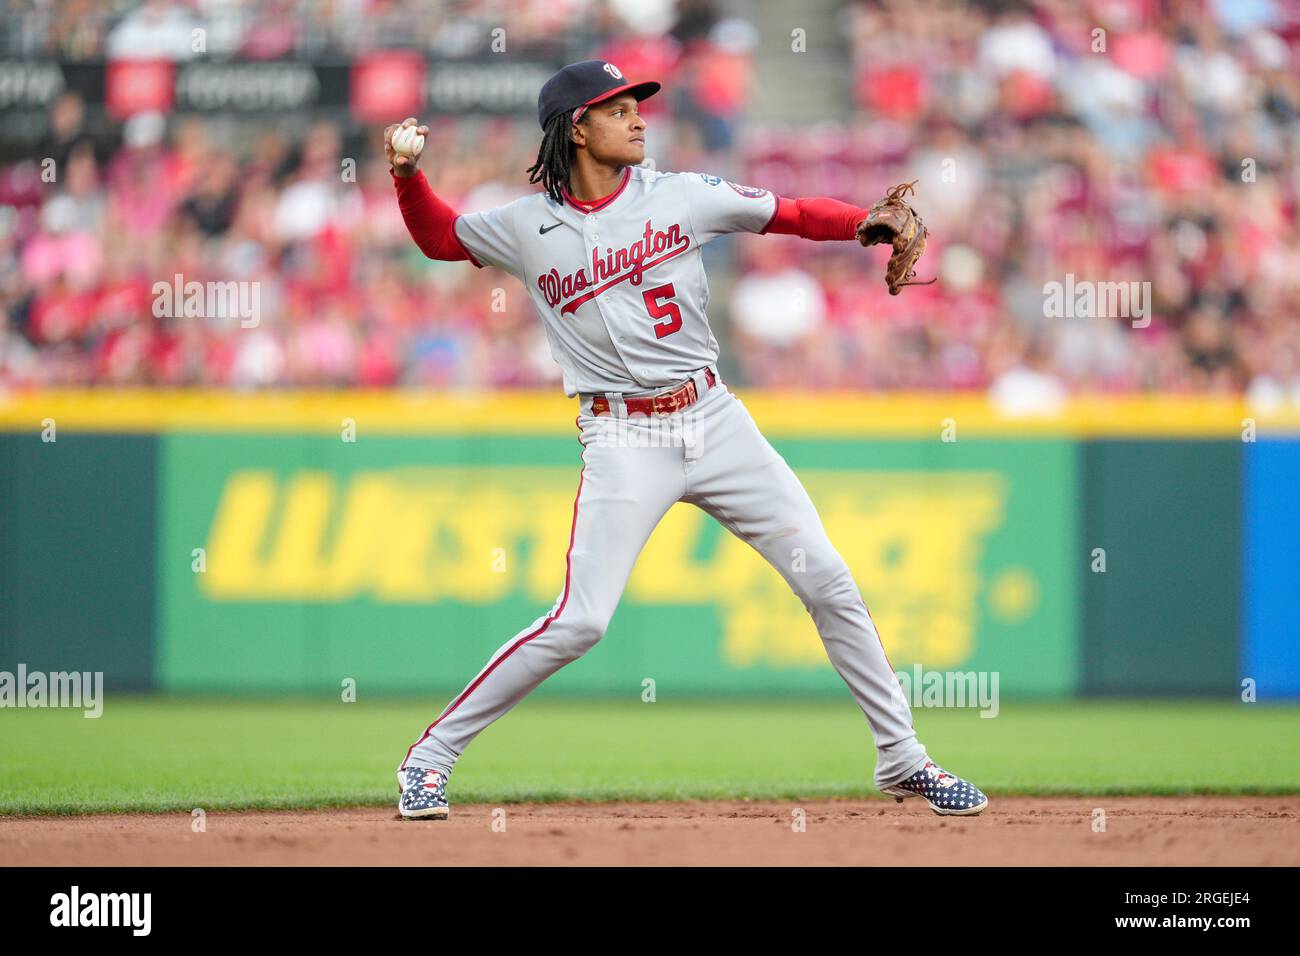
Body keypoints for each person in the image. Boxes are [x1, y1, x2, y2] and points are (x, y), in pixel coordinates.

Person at [387, 60, 988, 820]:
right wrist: (407, 175)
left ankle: (904, 759)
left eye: (638, 105)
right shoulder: (525, 226)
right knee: (582, 621)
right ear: (577, 126)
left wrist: (860, 224)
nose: (639, 118)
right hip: (623, 437)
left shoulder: (683, 195)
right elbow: (441, 239)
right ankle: (429, 759)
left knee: (828, 580)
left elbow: (792, 212)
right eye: (618, 109)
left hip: (715, 418)